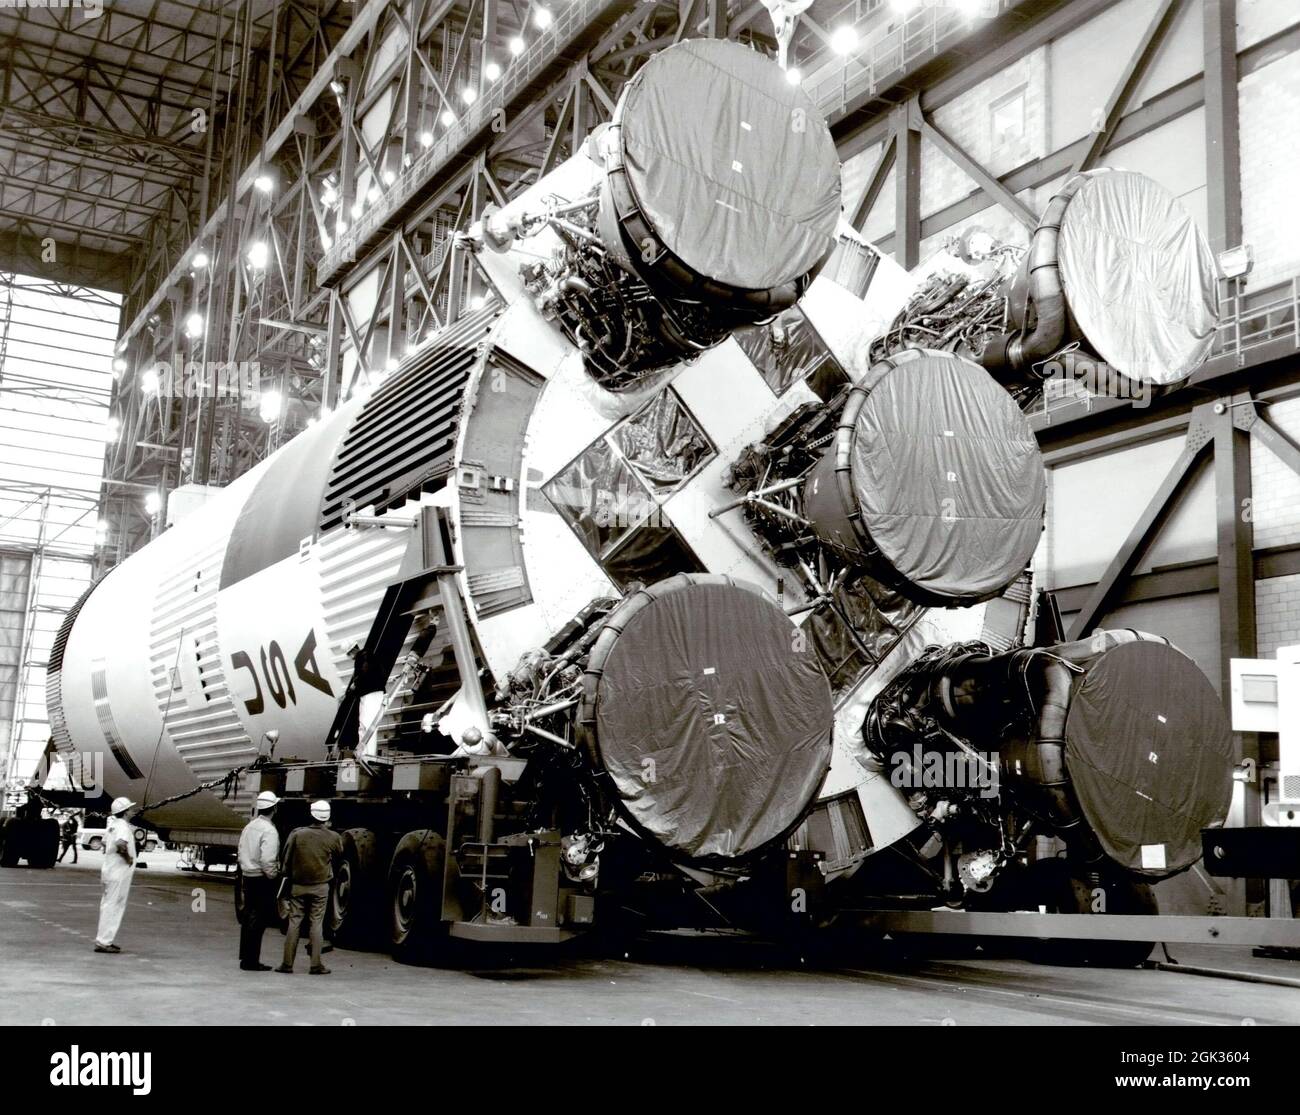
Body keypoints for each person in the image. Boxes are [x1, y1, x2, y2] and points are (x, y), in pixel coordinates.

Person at [277, 800, 343, 975]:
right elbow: (339, 856)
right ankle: (315, 965)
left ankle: (287, 964)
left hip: (298, 886)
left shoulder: (297, 834)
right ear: (327, 818)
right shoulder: (334, 837)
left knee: (294, 922)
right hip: (321, 887)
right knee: (316, 924)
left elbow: (286, 861)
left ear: (311, 814)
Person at [236, 790, 281, 971]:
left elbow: (240, 851)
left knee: (248, 919)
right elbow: (267, 859)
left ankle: (245, 958)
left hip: (247, 876)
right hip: (261, 879)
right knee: (259, 920)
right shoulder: (269, 831)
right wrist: (273, 876)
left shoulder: (250, 826)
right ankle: (251, 961)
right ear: (274, 808)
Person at [93, 797, 137, 953]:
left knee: (107, 904)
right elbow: (120, 844)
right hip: (119, 872)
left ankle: (103, 940)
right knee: (114, 906)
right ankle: (104, 941)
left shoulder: (112, 826)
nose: (133, 811)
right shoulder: (123, 827)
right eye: (131, 809)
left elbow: (105, 843)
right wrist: (128, 858)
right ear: (125, 812)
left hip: (109, 870)